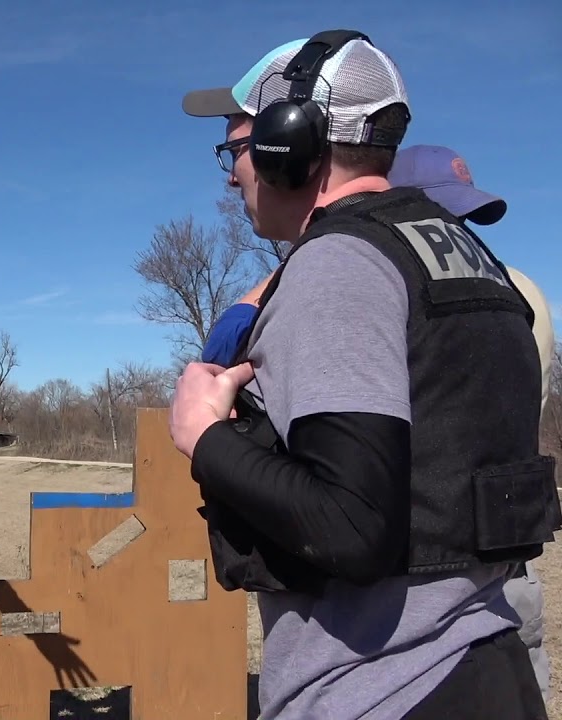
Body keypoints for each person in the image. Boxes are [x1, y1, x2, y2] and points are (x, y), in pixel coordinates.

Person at [173, 30, 558, 719]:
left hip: (383, 691)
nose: (232, 173)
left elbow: (350, 526)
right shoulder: (468, 260)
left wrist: (204, 434)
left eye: (237, 149)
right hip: (488, 666)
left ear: (288, 142)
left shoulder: (341, 265)